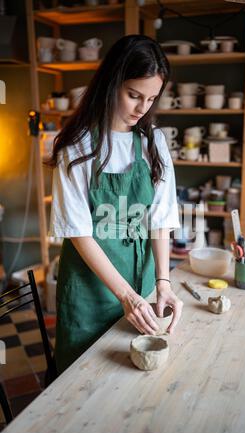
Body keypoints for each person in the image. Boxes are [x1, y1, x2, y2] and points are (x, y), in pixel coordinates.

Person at [47, 34, 183, 374]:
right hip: (91, 290)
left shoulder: (154, 143)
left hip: (142, 281)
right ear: (111, 84)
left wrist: (163, 283)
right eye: (133, 95)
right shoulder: (76, 147)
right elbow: (79, 232)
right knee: (81, 381)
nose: (142, 108)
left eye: (151, 99)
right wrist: (127, 297)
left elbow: (160, 218)